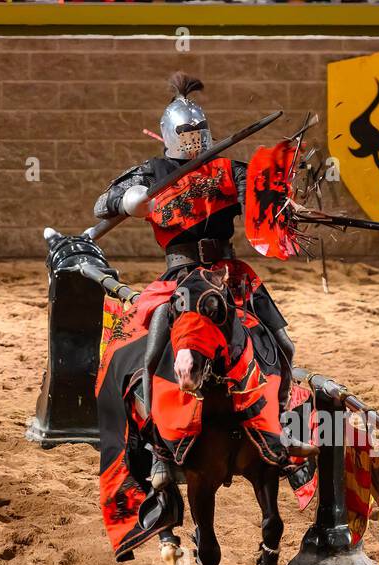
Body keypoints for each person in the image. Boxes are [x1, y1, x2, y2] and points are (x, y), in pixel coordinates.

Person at [93, 72, 297, 489]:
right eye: (185, 133)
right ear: (168, 134)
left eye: (199, 132)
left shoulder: (226, 168)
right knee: (148, 353)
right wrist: (129, 200)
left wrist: (283, 207)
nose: (193, 140)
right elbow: (104, 202)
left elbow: (257, 195)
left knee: (284, 344)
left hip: (229, 273)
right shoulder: (152, 172)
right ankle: (157, 449)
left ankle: (283, 431)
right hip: (181, 275)